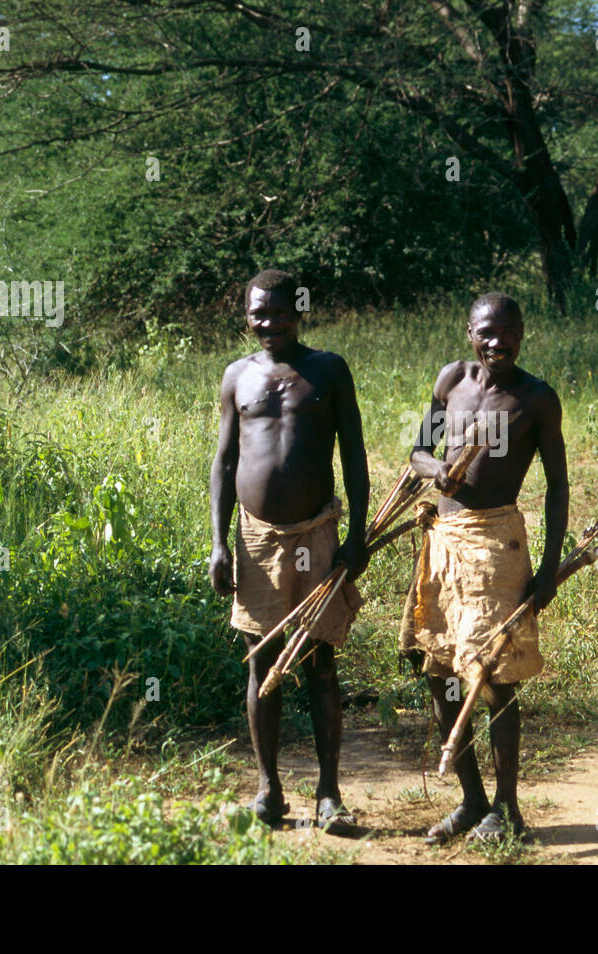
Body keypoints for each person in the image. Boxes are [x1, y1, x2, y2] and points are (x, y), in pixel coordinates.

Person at [402, 291, 568, 843]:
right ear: (469, 333)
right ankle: (472, 802)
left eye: (508, 332)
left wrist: (546, 568)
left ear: (523, 333)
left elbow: (558, 485)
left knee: (495, 679)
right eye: (486, 332)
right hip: (445, 542)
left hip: (499, 547)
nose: (498, 342)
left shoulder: (537, 399)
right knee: (441, 674)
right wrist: (438, 470)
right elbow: (418, 452)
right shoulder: (451, 379)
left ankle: (508, 808)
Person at [208, 269, 369, 833]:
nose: (267, 323)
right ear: (246, 316)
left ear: (299, 313)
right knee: (261, 660)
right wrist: (218, 543)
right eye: (257, 314)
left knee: (320, 662)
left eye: (277, 313)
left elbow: (353, 453)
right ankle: (269, 789)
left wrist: (357, 535)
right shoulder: (237, 377)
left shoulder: (328, 370)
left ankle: (328, 794)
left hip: (316, 535)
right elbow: (225, 463)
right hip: (255, 539)